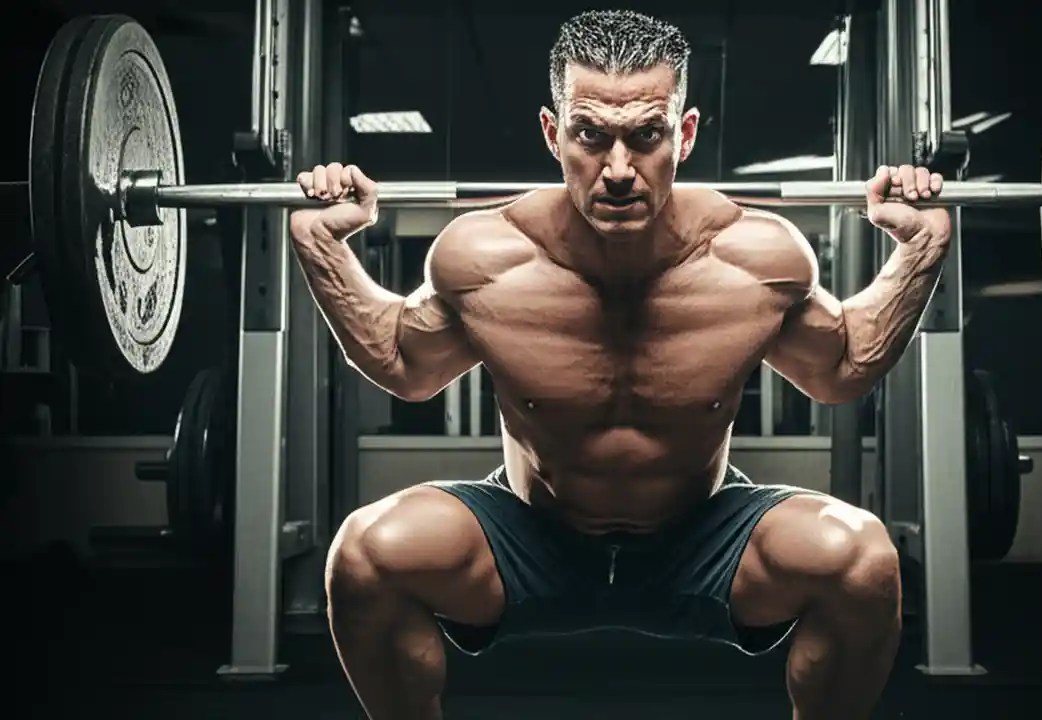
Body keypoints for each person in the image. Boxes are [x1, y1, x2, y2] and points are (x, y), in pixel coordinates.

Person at [288, 9, 950, 720]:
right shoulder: (486, 259)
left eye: (646, 136)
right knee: (363, 555)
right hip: (530, 533)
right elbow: (401, 362)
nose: (618, 171)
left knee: (863, 560)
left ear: (684, 133)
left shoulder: (753, 258)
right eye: (590, 135)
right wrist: (322, 247)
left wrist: (920, 251)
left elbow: (842, 366)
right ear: (553, 133)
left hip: (702, 534)